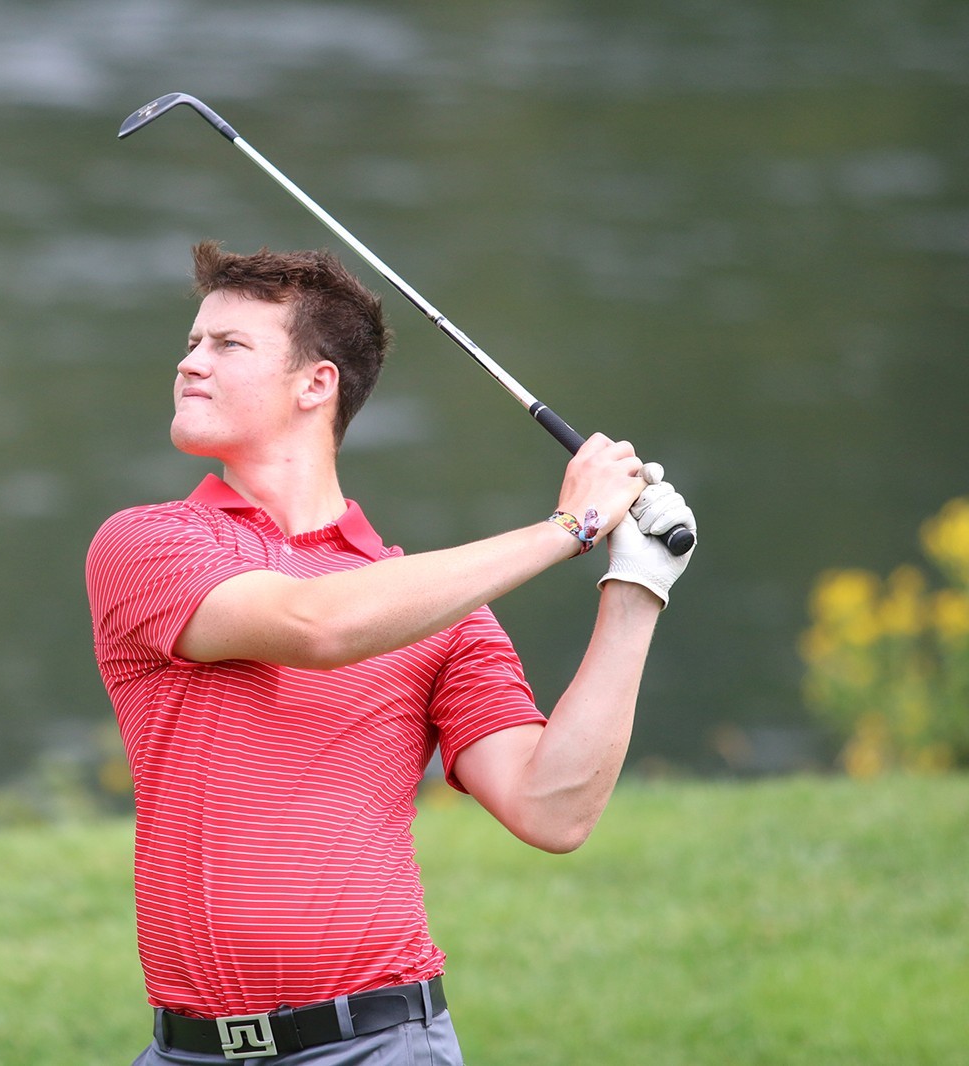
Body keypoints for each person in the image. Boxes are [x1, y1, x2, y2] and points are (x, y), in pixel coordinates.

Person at [85, 241, 695, 1065]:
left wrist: (637, 588)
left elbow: (554, 808)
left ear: (316, 383)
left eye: (228, 345)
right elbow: (315, 627)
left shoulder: (434, 607)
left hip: (379, 1045)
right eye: (192, 343)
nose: (190, 364)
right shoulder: (151, 543)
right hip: (186, 1051)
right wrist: (570, 529)